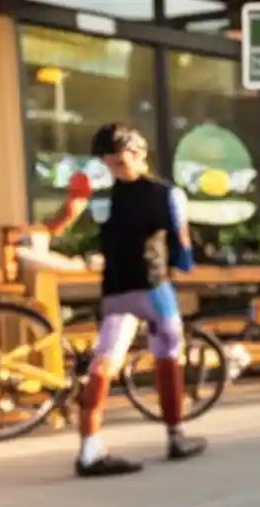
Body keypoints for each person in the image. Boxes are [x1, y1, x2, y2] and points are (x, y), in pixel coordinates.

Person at [42, 124, 207, 476]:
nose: (118, 167)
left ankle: (89, 448)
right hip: (153, 286)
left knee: (105, 361)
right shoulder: (166, 194)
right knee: (168, 357)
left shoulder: (102, 196)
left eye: (117, 161)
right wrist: (185, 262)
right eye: (114, 161)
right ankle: (176, 435)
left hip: (116, 288)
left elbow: (59, 226)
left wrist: (72, 204)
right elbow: (183, 248)